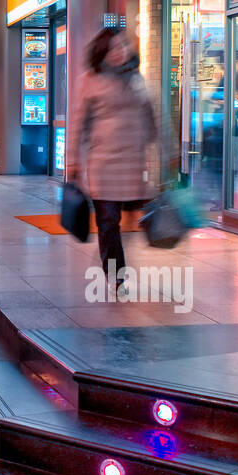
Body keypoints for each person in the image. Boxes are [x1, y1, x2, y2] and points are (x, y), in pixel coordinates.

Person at [67, 29, 157, 289]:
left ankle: (113, 256)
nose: (120, 51)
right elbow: (77, 123)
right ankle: (116, 273)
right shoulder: (90, 80)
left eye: (123, 46)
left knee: (128, 218)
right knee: (108, 220)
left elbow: (153, 115)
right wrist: (72, 160)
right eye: (113, 48)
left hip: (133, 161)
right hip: (104, 162)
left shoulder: (136, 79)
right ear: (103, 52)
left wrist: (167, 149)